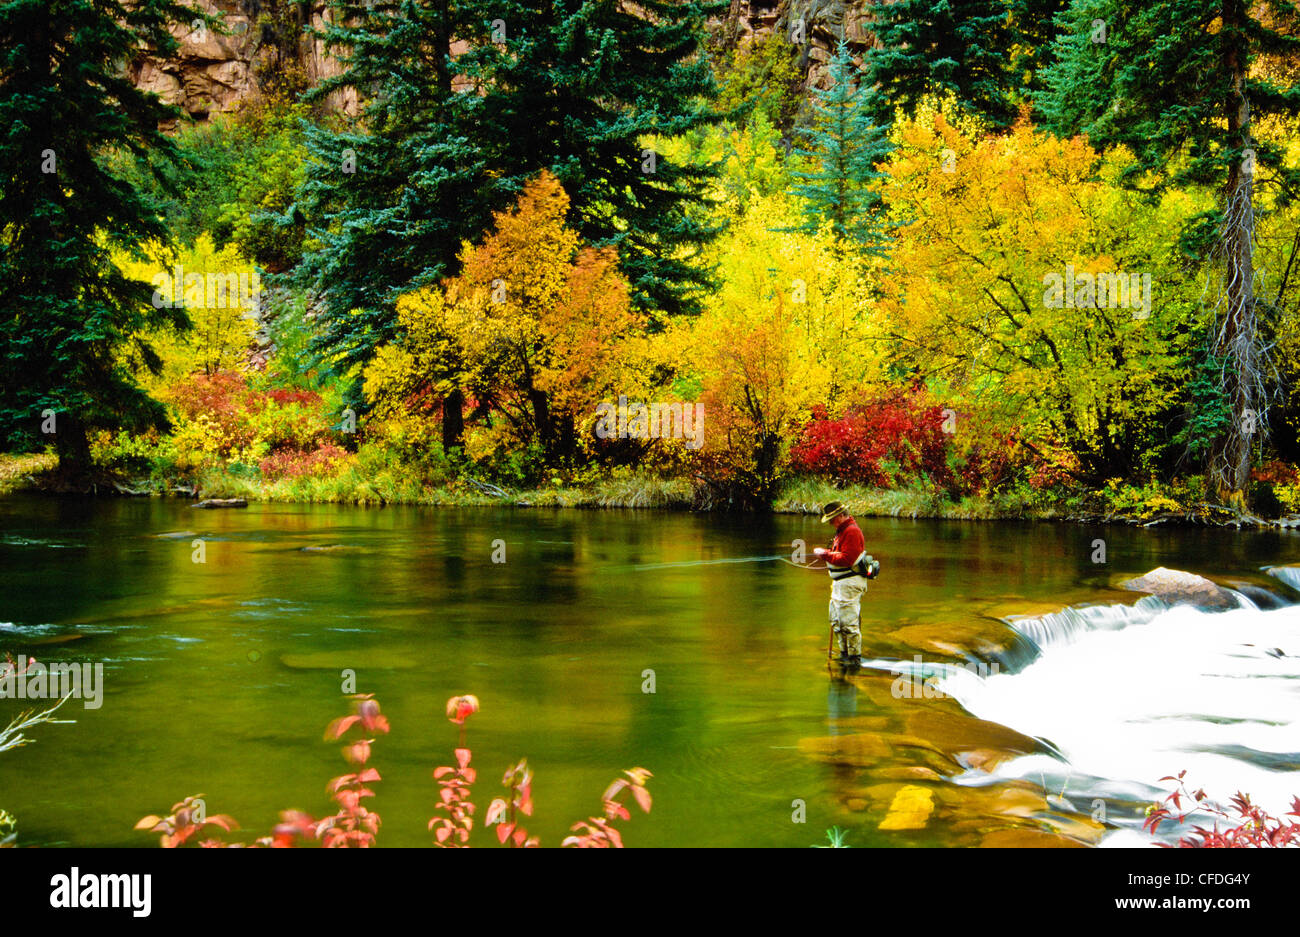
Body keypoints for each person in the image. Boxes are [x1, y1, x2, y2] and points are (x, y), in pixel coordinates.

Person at [814, 501, 867, 667]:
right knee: (837, 621)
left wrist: (825, 555)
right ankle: (844, 655)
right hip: (840, 583)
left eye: (832, 519)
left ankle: (854, 659)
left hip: (849, 583)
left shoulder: (852, 531)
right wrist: (828, 554)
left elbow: (847, 559)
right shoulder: (842, 531)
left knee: (848, 623)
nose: (830, 522)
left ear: (841, 516)